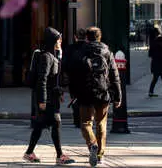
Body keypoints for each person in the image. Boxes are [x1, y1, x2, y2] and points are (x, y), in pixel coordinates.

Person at [68, 26, 121, 167]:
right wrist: (117, 96)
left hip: (85, 93)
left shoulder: (80, 52)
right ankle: (100, 155)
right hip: (103, 93)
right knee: (101, 124)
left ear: (87, 37)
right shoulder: (107, 52)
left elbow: (73, 75)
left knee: (85, 123)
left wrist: (73, 93)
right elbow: (115, 76)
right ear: (100, 37)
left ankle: (92, 144)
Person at [23, 27, 75, 165]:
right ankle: (60, 155)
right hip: (47, 99)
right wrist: (42, 100)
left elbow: (53, 80)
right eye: (58, 39)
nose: (60, 41)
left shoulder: (53, 56)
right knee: (56, 123)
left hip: (52, 97)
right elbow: (42, 80)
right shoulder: (46, 57)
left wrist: (59, 92)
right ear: (52, 40)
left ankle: (29, 153)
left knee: (40, 125)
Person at [62, 28, 87, 128]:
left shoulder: (70, 48)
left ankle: (77, 120)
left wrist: (67, 74)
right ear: (85, 37)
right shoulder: (88, 47)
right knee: (85, 99)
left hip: (73, 78)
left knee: (75, 99)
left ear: (75, 37)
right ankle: (85, 119)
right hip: (86, 78)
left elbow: (64, 64)